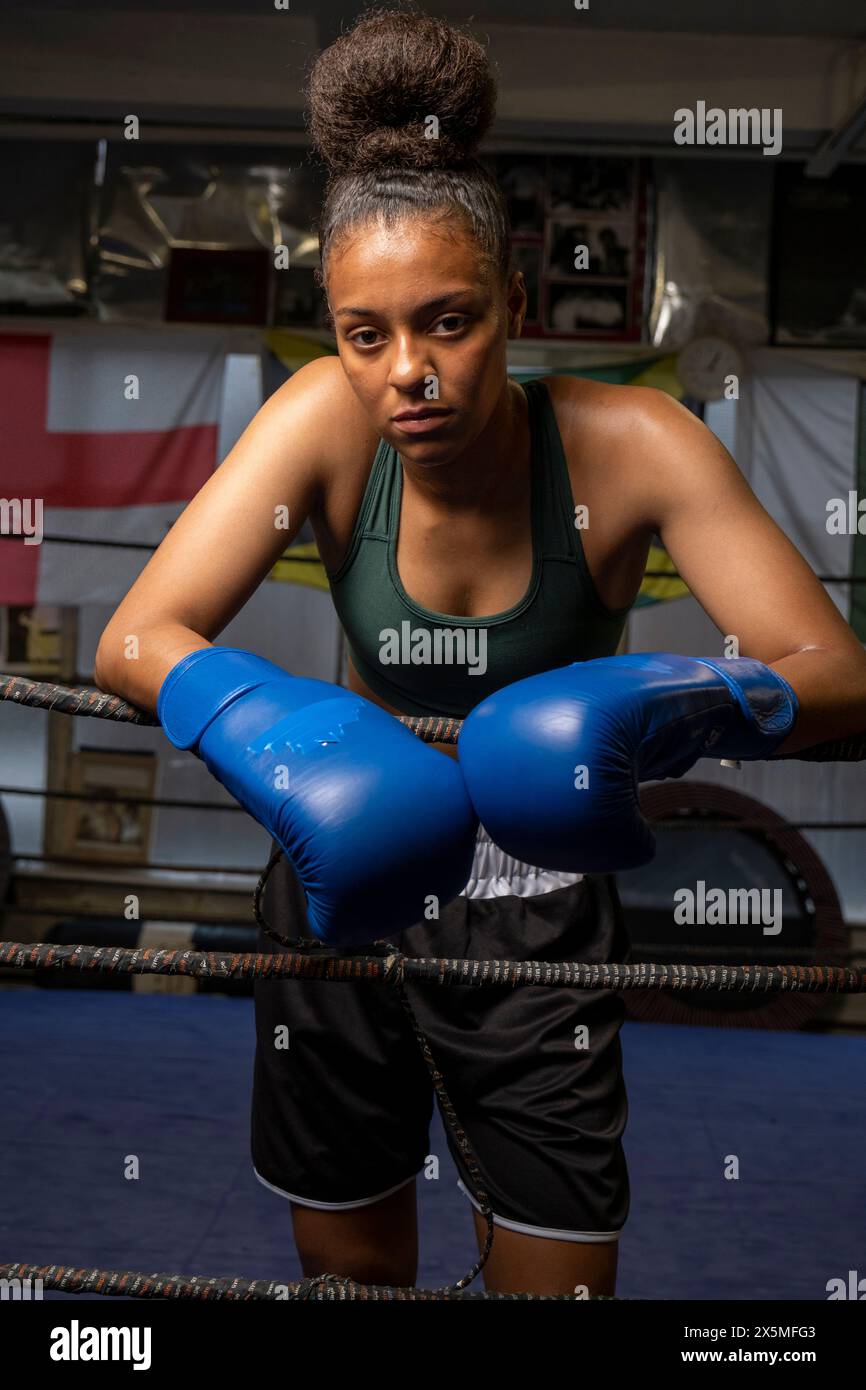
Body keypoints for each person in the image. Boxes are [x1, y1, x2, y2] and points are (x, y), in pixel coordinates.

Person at [95, 7, 866, 1297]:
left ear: (514, 301)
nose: (409, 373)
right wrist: (275, 729)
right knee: (350, 1275)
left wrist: (676, 702)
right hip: (339, 879)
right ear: (334, 331)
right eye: (365, 334)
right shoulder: (320, 426)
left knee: (558, 1283)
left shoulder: (634, 444)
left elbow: (835, 669)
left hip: (539, 898)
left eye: (449, 321)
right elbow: (136, 635)